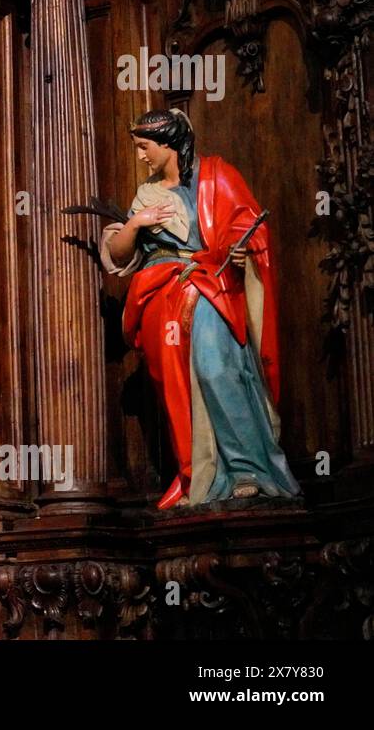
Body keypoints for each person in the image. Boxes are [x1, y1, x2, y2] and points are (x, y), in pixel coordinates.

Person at [101, 109, 300, 509]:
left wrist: (241, 250)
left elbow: (247, 225)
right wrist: (136, 223)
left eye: (144, 147)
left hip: (211, 284)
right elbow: (119, 254)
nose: (141, 157)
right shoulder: (146, 195)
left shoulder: (218, 175)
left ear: (169, 143)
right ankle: (203, 475)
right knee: (175, 386)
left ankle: (247, 469)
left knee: (217, 368)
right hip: (161, 295)